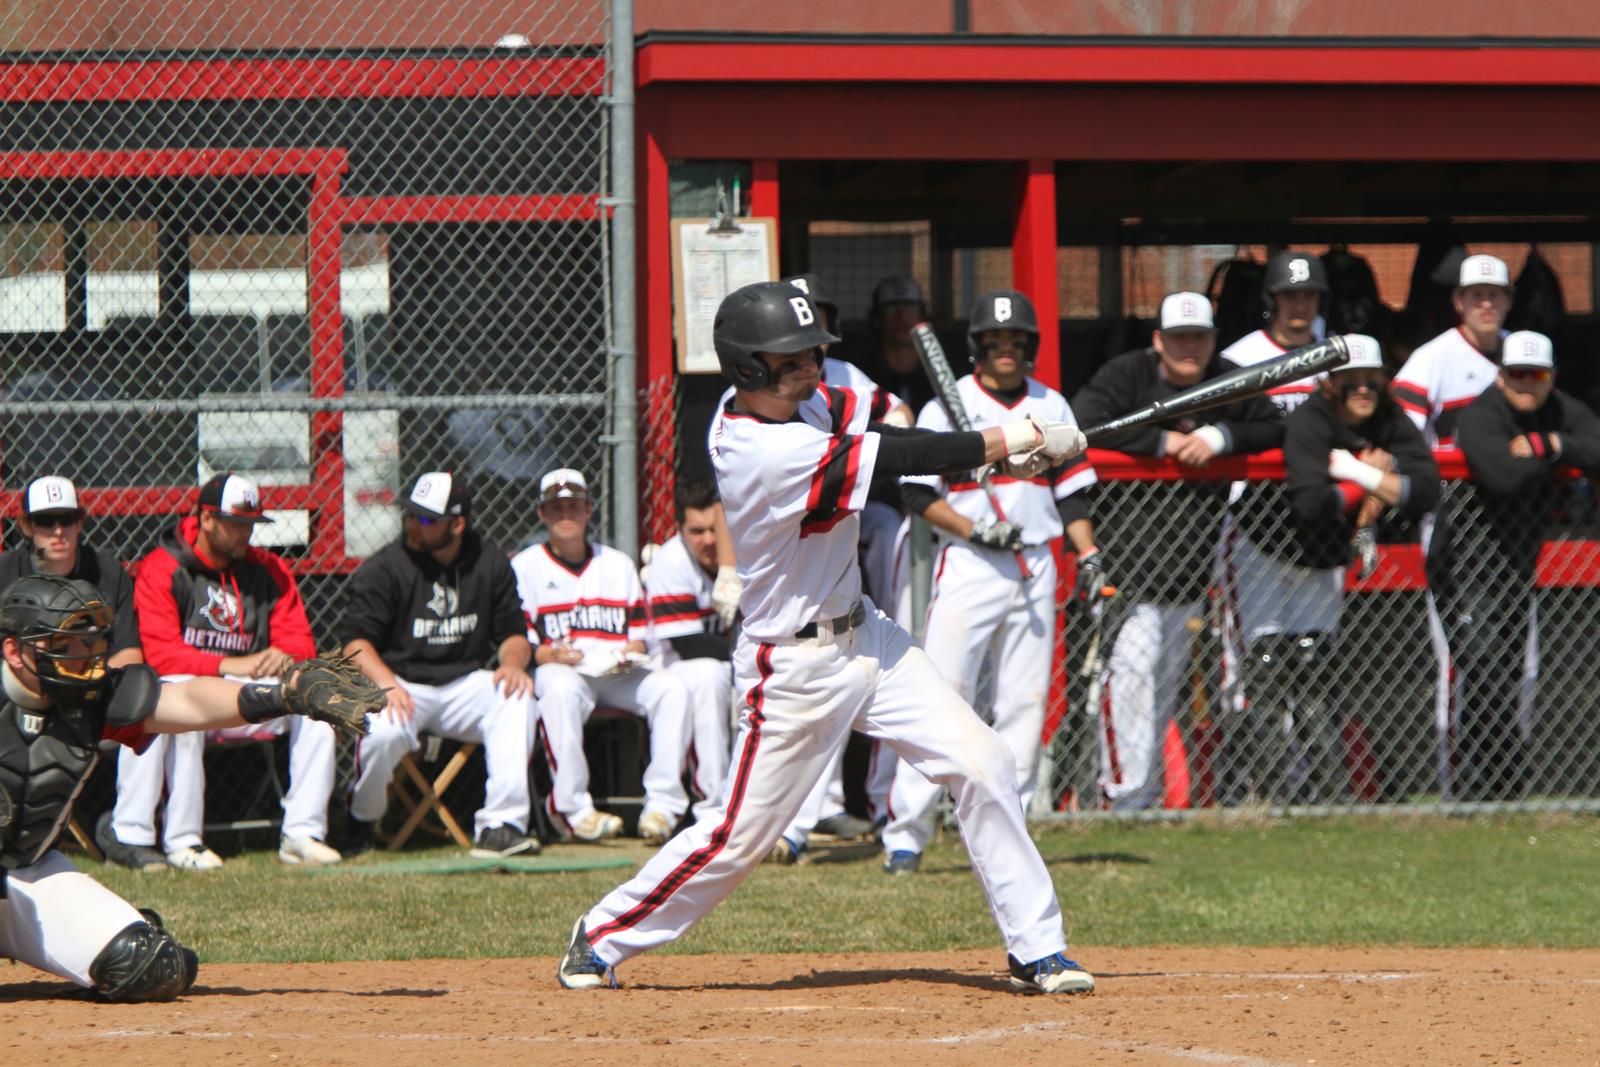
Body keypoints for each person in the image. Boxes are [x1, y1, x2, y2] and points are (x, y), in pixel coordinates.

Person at [557, 279, 1095, 995]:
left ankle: (1039, 948)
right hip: (793, 666)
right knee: (738, 838)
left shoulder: (804, 397)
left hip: (867, 637)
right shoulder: (759, 449)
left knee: (983, 760)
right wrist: (1007, 441)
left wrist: (986, 449)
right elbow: (896, 461)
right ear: (750, 368)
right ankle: (600, 935)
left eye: (815, 351)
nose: (814, 365)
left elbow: (883, 417)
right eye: (795, 356)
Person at [0, 574, 377, 1001]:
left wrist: (284, 696)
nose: (82, 657)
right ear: (15, 651)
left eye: (86, 644)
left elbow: (189, 700)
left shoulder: (90, 697)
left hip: (28, 873)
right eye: (63, 647)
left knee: (151, 965)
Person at [879, 288, 1100, 873]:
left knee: (1024, 704)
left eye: (1017, 342)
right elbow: (914, 492)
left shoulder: (1051, 403)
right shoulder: (942, 408)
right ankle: (907, 831)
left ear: (1030, 348)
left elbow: (1073, 493)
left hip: (1034, 565)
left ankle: (1010, 831)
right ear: (977, 348)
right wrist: (976, 530)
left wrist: (1090, 554)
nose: (1007, 351)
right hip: (970, 565)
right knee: (942, 696)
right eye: (995, 342)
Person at [1072, 291, 1284, 810]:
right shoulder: (1128, 375)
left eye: (1200, 337)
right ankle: (1119, 801)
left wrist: (1222, 433)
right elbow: (1085, 419)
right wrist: (1161, 442)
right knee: (1130, 681)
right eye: (1179, 337)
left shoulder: (1229, 379)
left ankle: (1140, 802)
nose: (1190, 347)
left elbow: (1279, 425)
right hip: (1128, 570)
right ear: (1158, 340)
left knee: (1162, 689)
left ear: (1213, 340)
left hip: (1190, 572)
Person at [1230, 335, 1439, 802]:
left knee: (1314, 665)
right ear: (1331, 383)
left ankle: (1324, 795)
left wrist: (1359, 473)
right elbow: (1310, 502)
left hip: (1323, 558)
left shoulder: (1389, 421)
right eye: (1351, 381)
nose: (1362, 389)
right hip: (1265, 548)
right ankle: (1267, 794)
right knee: (1264, 667)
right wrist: (1372, 481)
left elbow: (1427, 491)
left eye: (1371, 380)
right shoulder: (1311, 419)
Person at [103, 472, 337, 869]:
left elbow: (301, 643)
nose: (245, 534)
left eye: (250, 525)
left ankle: (302, 833)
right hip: (192, 692)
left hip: (247, 695)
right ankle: (177, 841)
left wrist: (285, 655)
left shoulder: (270, 570)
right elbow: (159, 655)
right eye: (235, 524)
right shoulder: (163, 567)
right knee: (170, 692)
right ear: (206, 519)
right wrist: (228, 664)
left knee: (313, 704)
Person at [341, 470, 539, 858]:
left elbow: (515, 633)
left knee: (516, 698)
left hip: (463, 683)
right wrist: (386, 682)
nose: (415, 525)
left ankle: (502, 826)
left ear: (458, 524)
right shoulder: (388, 566)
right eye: (412, 515)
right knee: (383, 732)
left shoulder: (488, 558)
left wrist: (513, 665)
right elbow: (354, 643)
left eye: (428, 519)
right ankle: (361, 821)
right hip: (402, 682)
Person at [1450, 331, 1600, 799]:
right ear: (1500, 376)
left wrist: (1546, 444)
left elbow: (1595, 443)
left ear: (1551, 378)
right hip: (1462, 565)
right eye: (1516, 373)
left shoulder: (1557, 411)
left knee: (1509, 672)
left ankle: (1502, 789)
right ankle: (1476, 787)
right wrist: (1558, 453)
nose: (1526, 384)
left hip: (1516, 565)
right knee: (1482, 671)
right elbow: (1503, 477)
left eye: (1536, 375)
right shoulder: (1480, 413)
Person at [1390, 253, 1514, 797]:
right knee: (1457, 659)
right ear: (1458, 301)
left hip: (1515, 525)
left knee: (1520, 659)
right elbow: (1398, 435)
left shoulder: (1523, 354)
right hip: (1454, 520)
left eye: (1495, 294)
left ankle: (1506, 784)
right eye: (1476, 294)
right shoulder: (1433, 358)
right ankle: (1454, 789)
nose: (1486, 303)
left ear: (1508, 300)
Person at [517, 468, 692, 845]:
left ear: (588, 511)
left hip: (616, 671)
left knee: (672, 689)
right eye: (557, 507)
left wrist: (635, 649)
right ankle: (575, 811)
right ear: (542, 514)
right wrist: (547, 653)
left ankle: (663, 809)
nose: (567, 514)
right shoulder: (526, 566)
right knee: (558, 690)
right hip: (567, 673)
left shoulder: (617, 563)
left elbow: (641, 636)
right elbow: (524, 642)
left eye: (574, 506)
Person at [1216, 251, 1331, 727]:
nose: (1299, 305)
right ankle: (1252, 778)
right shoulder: (1240, 358)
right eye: (1290, 295)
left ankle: (1305, 783)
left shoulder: (1337, 353)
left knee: (1314, 655)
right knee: (1256, 655)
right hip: (1253, 526)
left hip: (1320, 527)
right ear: (1273, 300)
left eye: (1308, 295)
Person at [642, 478, 734, 824]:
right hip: (670, 667)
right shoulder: (672, 560)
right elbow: (687, 643)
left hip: (726, 664)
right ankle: (712, 805)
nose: (708, 540)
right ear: (680, 530)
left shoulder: (738, 556)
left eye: (714, 530)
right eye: (696, 531)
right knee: (707, 676)